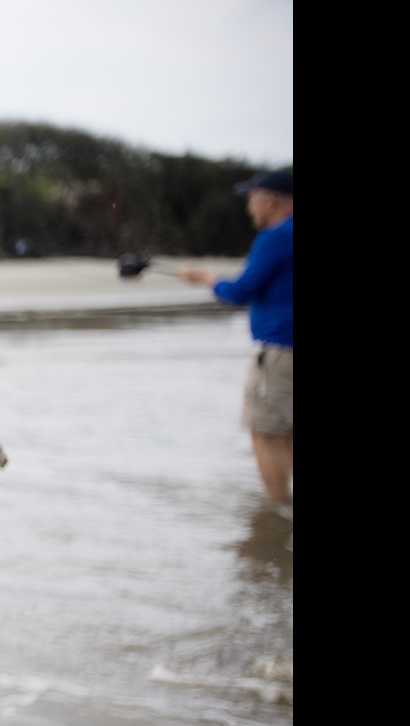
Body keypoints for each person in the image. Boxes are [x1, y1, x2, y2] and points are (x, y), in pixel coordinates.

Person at [179, 168, 293, 514]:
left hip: (282, 352)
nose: (249, 209)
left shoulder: (277, 236)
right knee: (285, 433)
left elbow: (239, 291)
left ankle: (277, 516)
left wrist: (205, 278)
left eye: (252, 200)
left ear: (269, 200)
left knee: (266, 433)